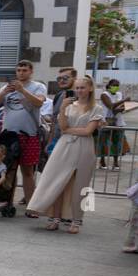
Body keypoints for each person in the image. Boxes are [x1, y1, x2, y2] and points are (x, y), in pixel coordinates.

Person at [27, 76, 106, 234]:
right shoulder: (69, 106)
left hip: (85, 148)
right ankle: (54, 218)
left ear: (90, 88)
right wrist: (63, 108)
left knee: (80, 185)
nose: (79, 91)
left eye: (82, 87)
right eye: (77, 88)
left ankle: (76, 221)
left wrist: (69, 130)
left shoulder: (97, 108)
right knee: (57, 182)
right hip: (64, 147)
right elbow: (62, 127)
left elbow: (88, 131)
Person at [0, 60, 47, 208]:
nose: (21, 73)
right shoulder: (6, 88)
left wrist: (22, 90)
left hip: (29, 134)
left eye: (24, 70)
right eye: (18, 70)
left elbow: (39, 103)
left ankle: (31, 205)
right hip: (9, 134)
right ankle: (6, 201)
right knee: (8, 170)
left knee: (27, 171)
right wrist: (3, 92)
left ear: (31, 71)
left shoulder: (38, 86)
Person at [98, 78, 125, 171]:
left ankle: (116, 163)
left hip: (118, 121)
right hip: (105, 121)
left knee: (117, 142)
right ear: (109, 86)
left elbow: (122, 108)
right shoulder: (104, 95)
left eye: (117, 85)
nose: (115, 87)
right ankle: (102, 161)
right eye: (114, 85)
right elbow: (110, 106)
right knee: (103, 142)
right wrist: (122, 102)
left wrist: (116, 107)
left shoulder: (119, 94)